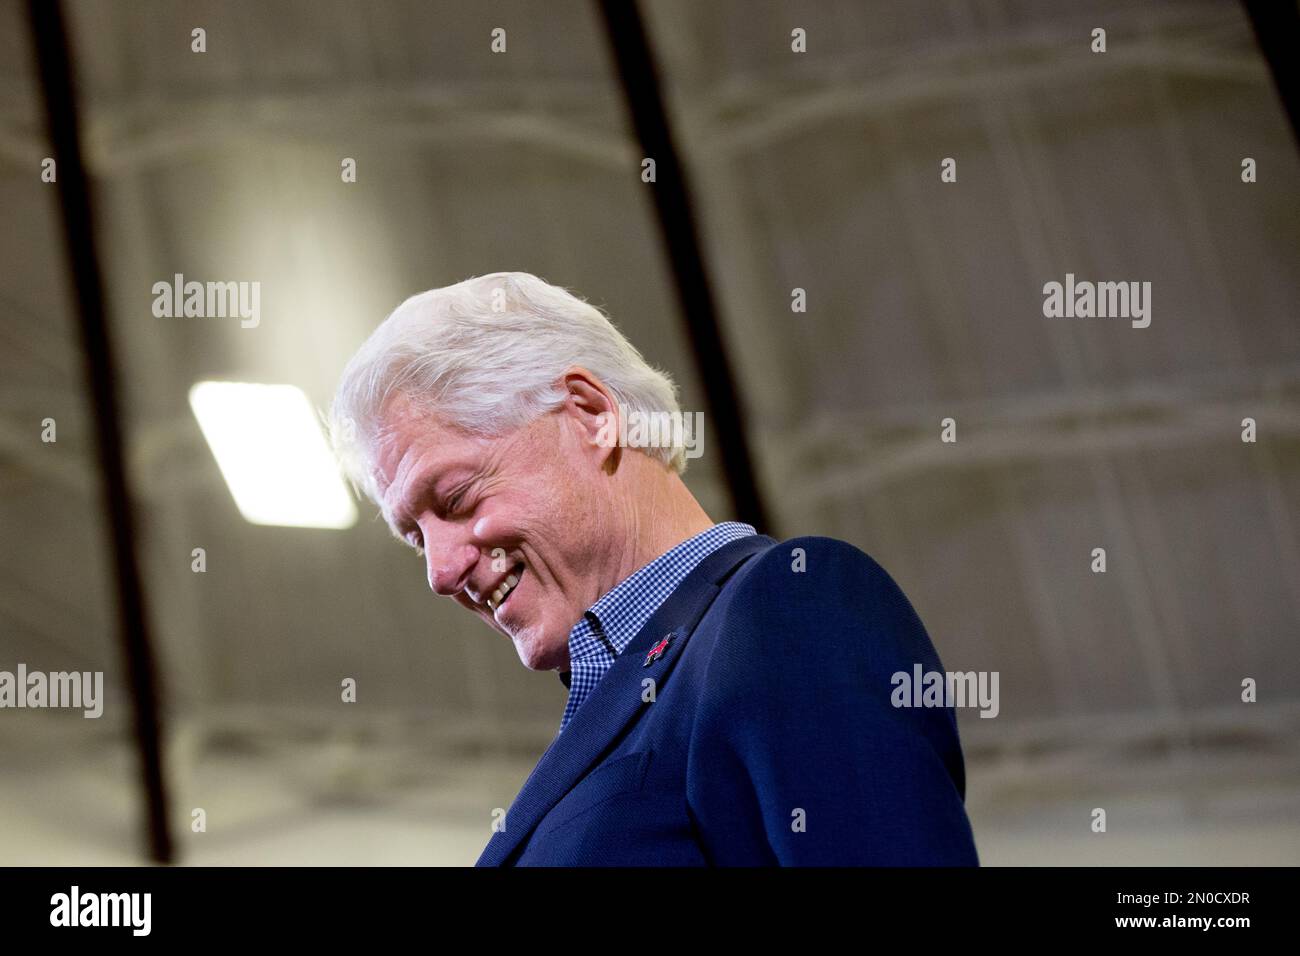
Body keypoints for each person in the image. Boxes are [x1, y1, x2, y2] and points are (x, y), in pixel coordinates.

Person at [330, 272, 978, 866]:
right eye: (416, 538)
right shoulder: (629, 697)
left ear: (590, 415)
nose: (440, 573)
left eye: (455, 499)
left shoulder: (790, 611)